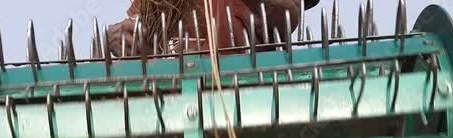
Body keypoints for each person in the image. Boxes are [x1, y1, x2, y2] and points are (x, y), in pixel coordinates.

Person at [106, 0, 323, 55]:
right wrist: (115, 36)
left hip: (245, 102)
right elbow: (137, 22)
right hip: (172, 105)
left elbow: (290, 10)